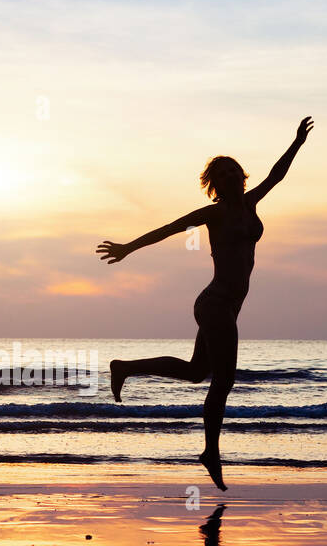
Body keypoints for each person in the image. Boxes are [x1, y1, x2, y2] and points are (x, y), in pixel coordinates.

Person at [97, 117, 313, 490]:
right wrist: (127, 248)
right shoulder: (212, 214)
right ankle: (211, 452)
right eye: (222, 174)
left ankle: (126, 367)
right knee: (224, 379)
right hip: (214, 303)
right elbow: (168, 229)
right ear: (214, 184)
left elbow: (277, 176)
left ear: (242, 177)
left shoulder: (251, 203)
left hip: (228, 307)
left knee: (199, 372)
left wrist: (296, 143)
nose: (231, 177)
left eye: (234, 171)